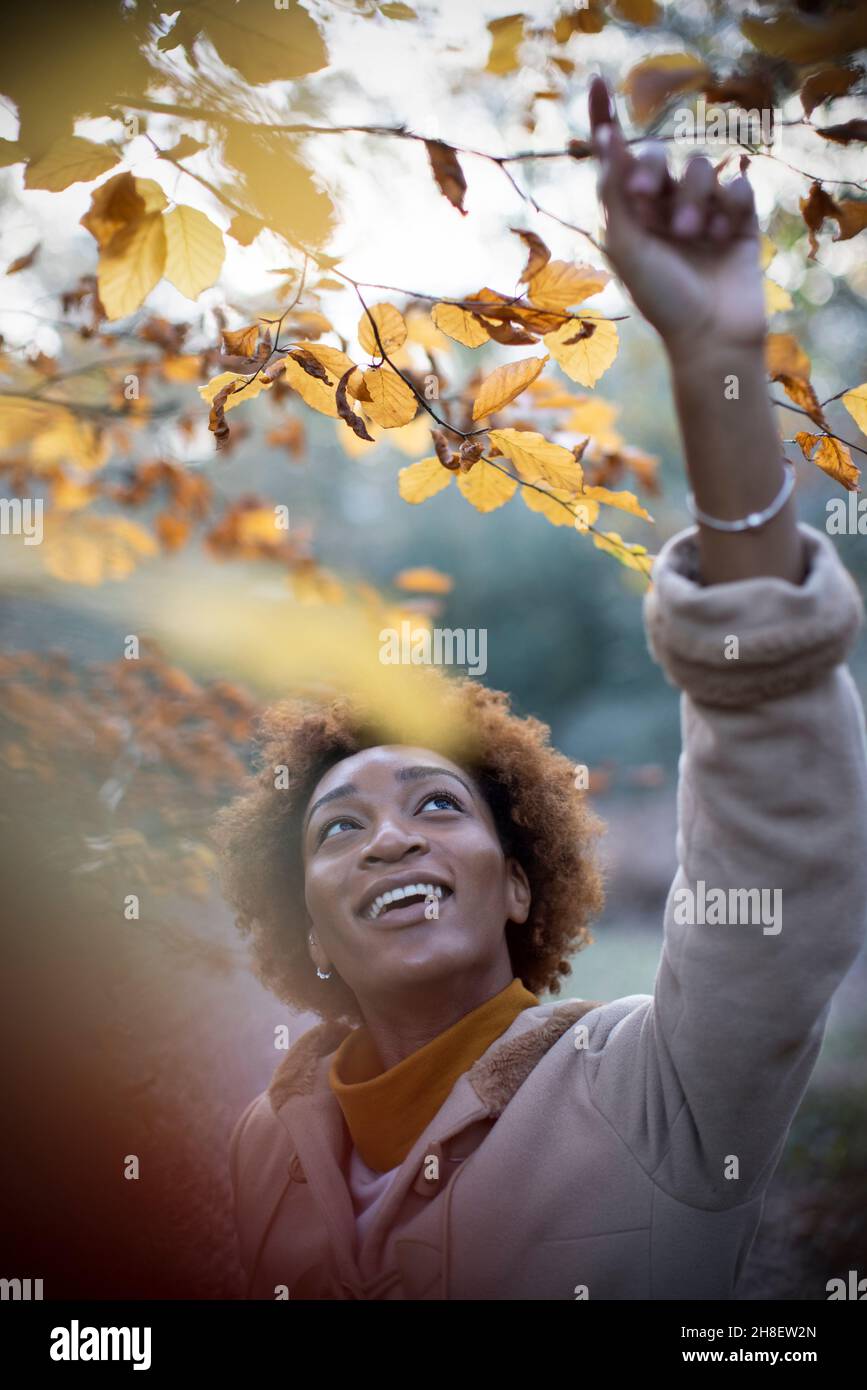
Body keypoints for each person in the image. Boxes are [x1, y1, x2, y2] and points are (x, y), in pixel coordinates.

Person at [216, 78, 867, 1300]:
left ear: (520, 883)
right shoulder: (265, 1147)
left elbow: (775, 839)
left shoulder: (658, 1090)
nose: (387, 834)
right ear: (306, 924)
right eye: (338, 826)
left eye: (438, 805)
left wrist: (722, 362)